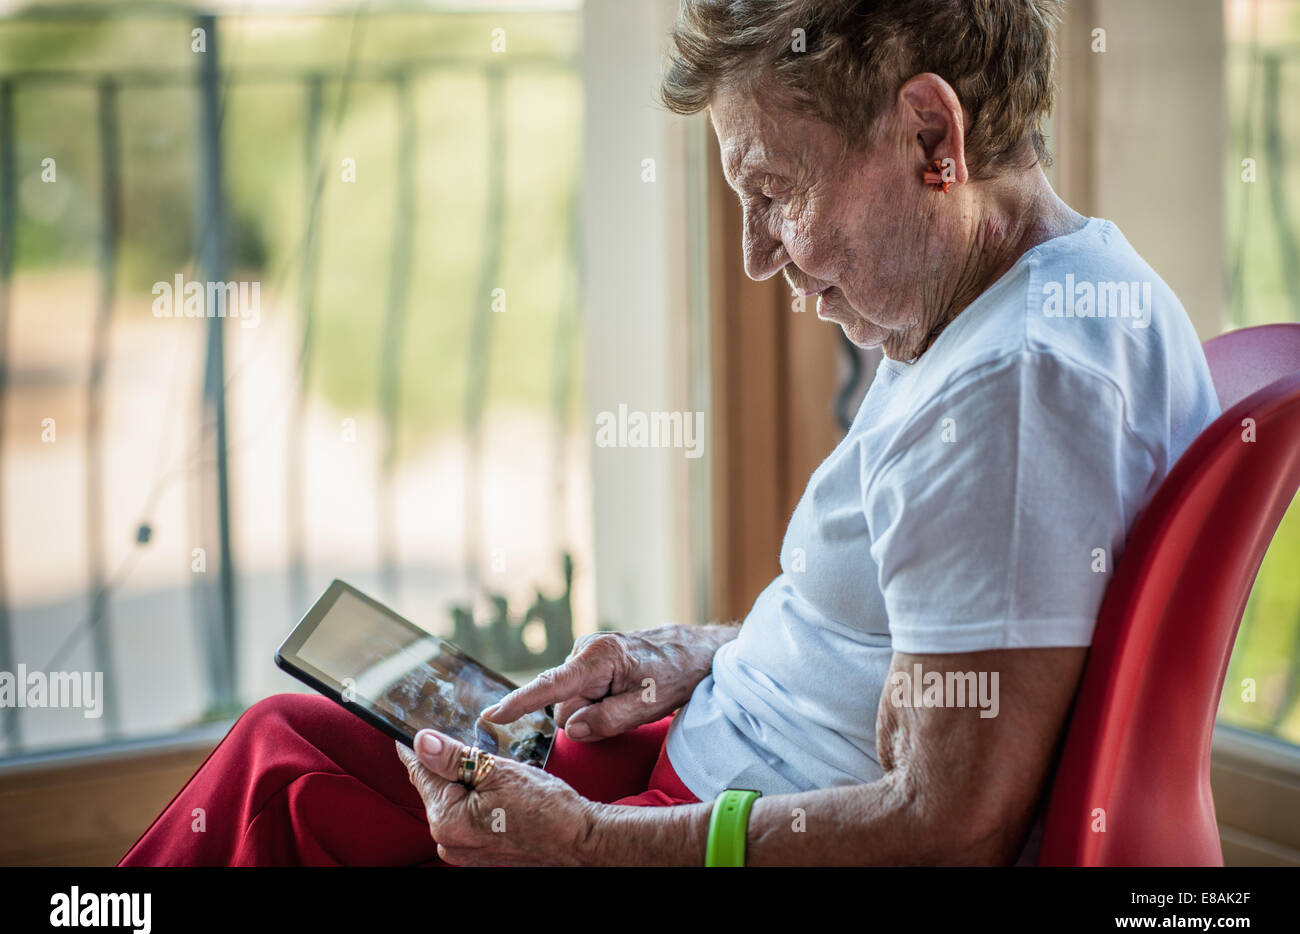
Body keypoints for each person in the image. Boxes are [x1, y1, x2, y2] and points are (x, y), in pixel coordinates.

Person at [120, 0, 1220, 867]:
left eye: (774, 193)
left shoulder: (1010, 390)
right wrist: (695, 654)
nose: (757, 254)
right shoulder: (1026, 298)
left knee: (277, 780)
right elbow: (898, 631)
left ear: (932, 136)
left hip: (699, 825)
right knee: (306, 744)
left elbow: (945, 824)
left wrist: (590, 845)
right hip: (705, 766)